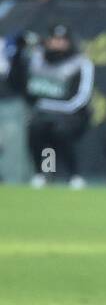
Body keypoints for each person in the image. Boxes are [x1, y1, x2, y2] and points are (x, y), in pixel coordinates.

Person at [7, 23, 93, 188]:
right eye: (54, 39)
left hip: (71, 114)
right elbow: (18, 82)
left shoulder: (80, 61)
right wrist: (19, 51)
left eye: (62, 39)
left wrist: (53, 108)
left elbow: (82, 96)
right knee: (36, 129)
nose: (57, 43)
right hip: (42, 112)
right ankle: (42, 174)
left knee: (61, 131)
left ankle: (74, 176)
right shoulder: (37, 57)